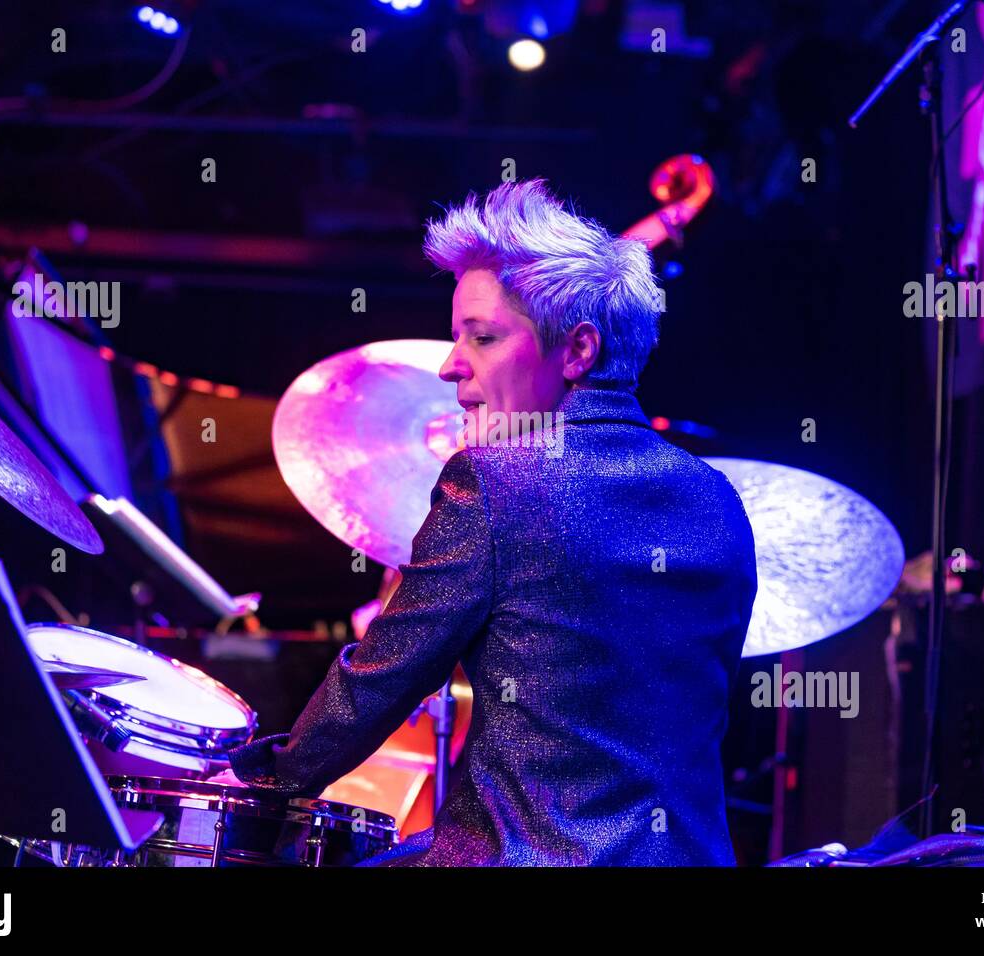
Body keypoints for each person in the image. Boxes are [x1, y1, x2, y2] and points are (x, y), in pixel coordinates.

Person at [218, 179, 757, 865]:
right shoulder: (719, 501)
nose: (449, 366)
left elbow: (380, 682)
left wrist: (260, 780)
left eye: (483, 337)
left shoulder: (496, 481)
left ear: (579, 351)